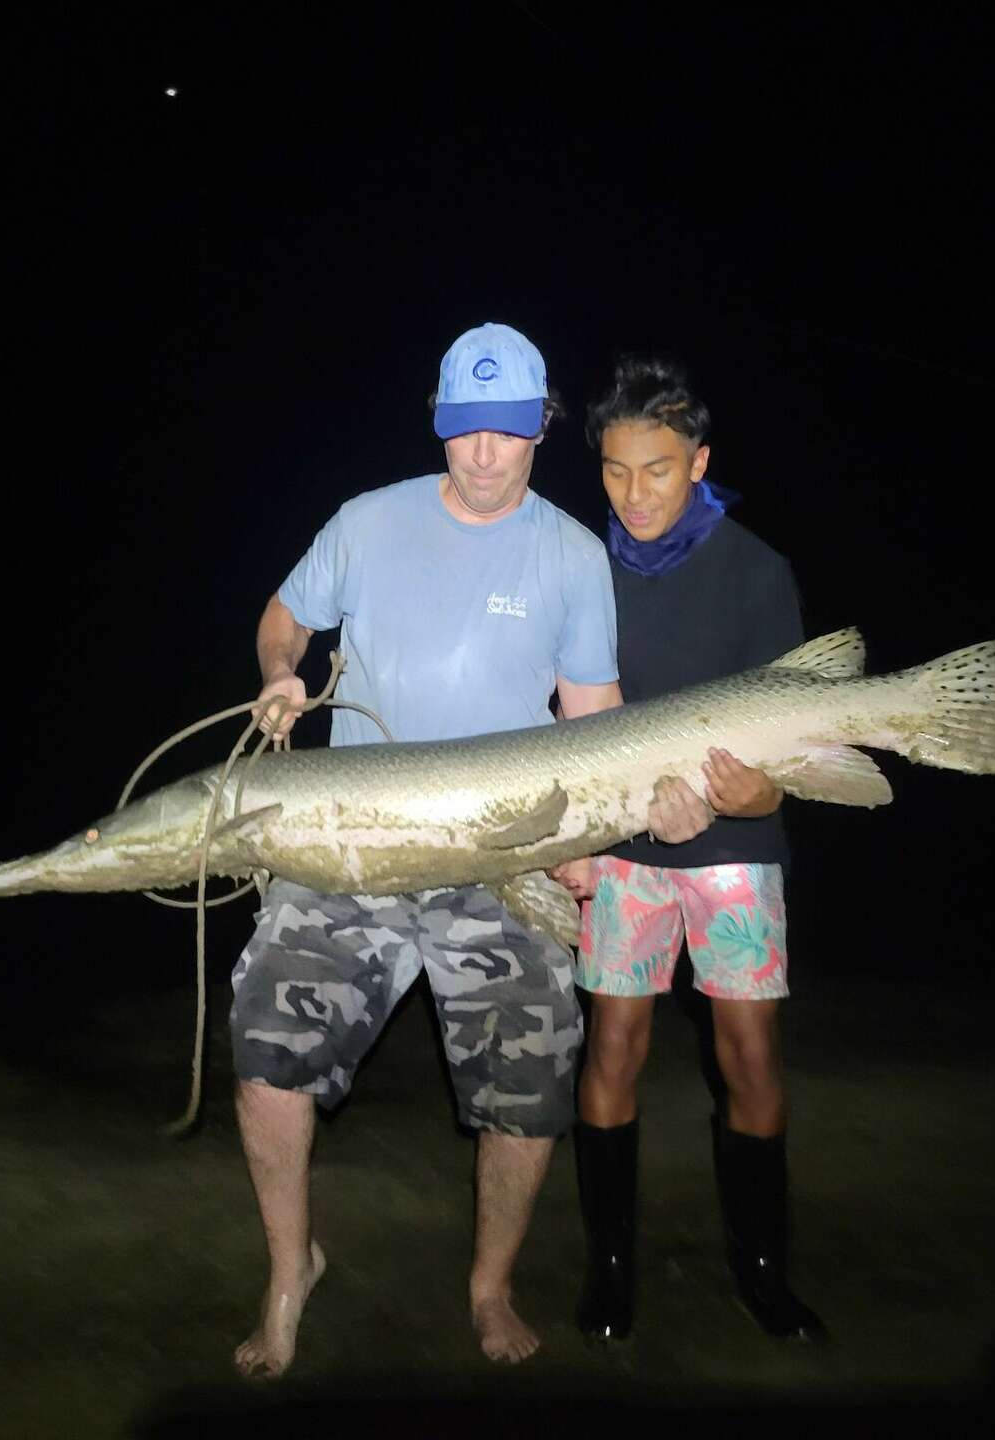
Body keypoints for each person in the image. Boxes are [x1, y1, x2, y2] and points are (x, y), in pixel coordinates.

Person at [229, 322, 625, 1379]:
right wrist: (282, 672)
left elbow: (594, 720)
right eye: (464, 432)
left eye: (505, 432)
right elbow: (285, 617)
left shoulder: (574, 557)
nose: (484, 457)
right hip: (354, 843)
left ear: (542, 428)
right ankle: (287, 1272)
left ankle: (489, 1285)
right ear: (438, 426)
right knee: (268, 1054)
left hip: (499, 858)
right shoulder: (367, 521)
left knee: (533, 1082)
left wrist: (586, 841)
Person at [550, 355, 828, 1344]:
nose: (636, 494)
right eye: (618, 472)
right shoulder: (583, 569)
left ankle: (762, 1270)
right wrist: (571, 834)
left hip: (736, 849)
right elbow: (564, 713)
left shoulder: (758, 570)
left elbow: (795, 730)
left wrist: (769, 786)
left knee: (750, 1057)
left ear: (699, 460)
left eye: (659, 470)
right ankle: (611, 1269)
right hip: (625, 847)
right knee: (611, 1045)